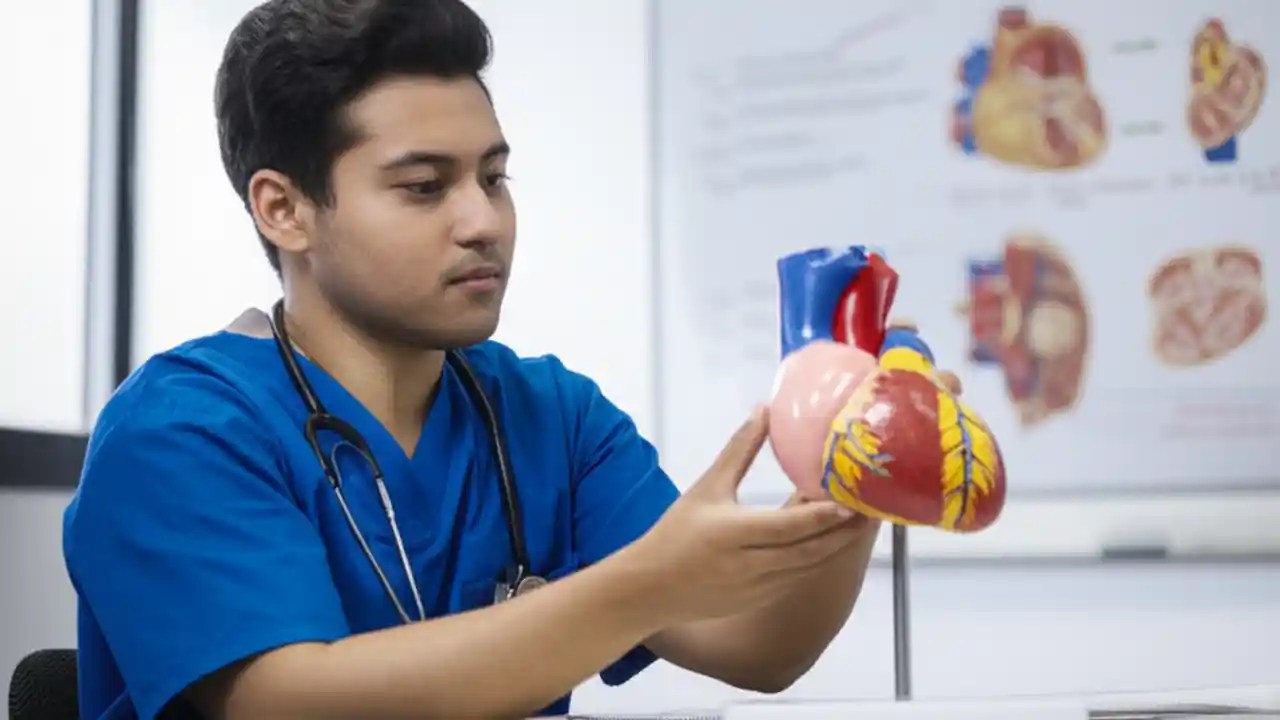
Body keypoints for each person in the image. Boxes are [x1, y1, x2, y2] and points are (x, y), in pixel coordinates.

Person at [62, 1, 960, 718]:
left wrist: (859, 463)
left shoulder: (551, 417)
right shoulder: (183, 430)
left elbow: (759, 647)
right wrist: (643, 583)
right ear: (284, 210)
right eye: (424, 187)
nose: (483, 220)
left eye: (494, 177)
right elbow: (287, 699)